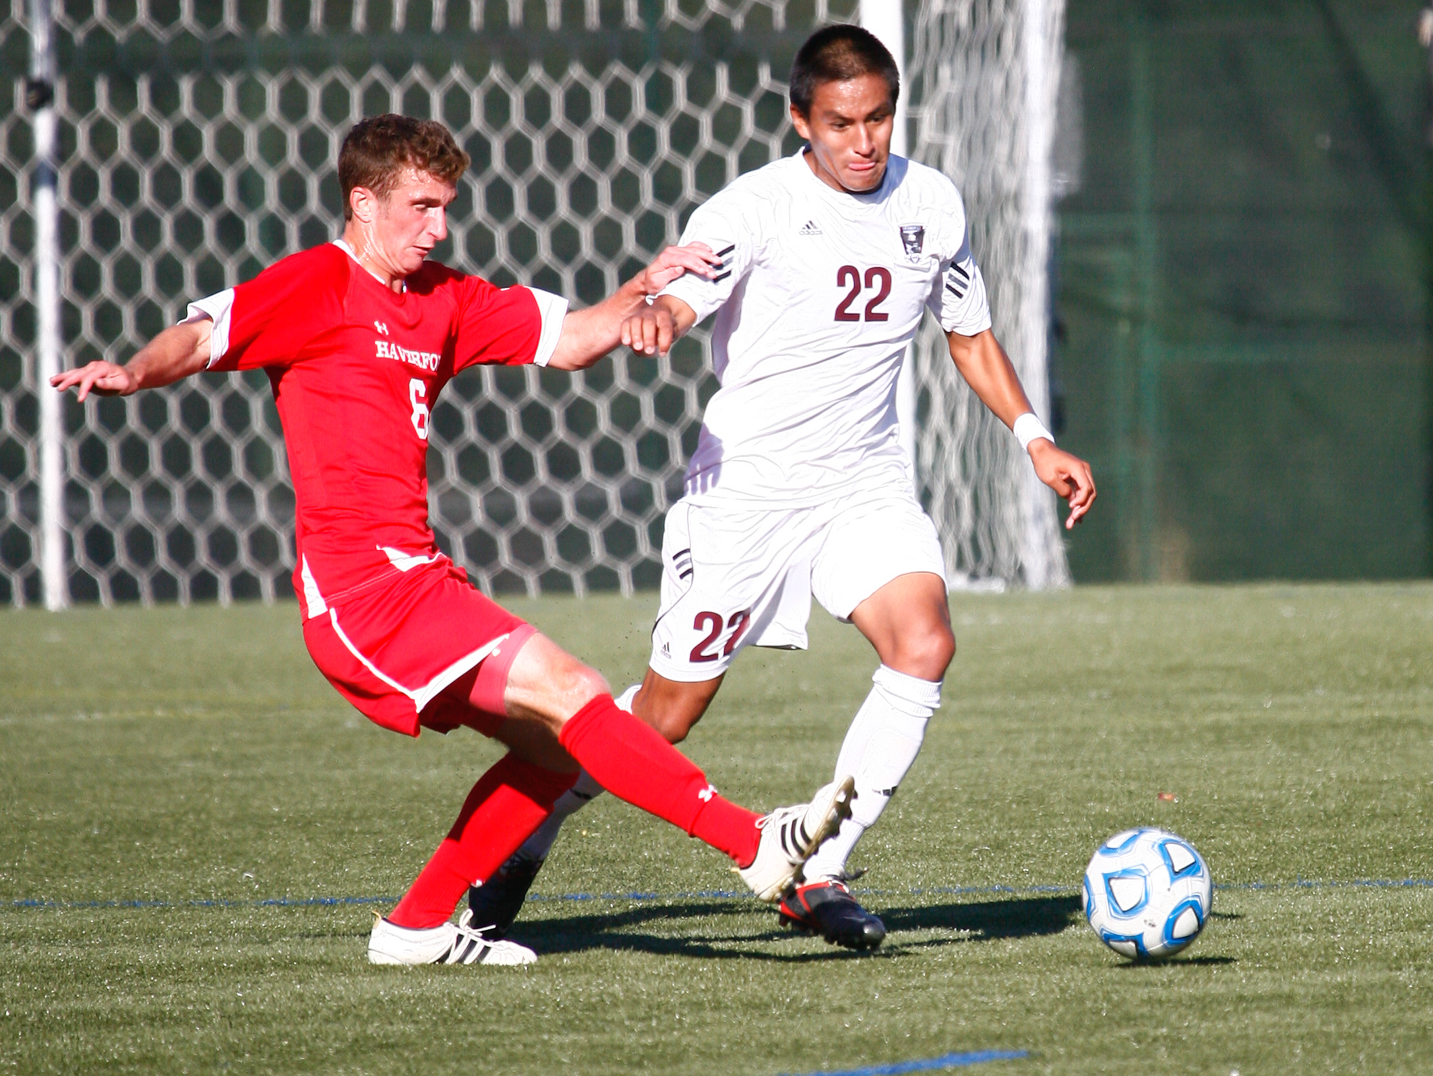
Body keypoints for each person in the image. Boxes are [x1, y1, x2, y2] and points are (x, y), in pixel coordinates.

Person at [51, 114, 853, 967]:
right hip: (361, 588)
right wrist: (135, 370)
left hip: (419, 576)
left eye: (446, 206)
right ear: (363, 203)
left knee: (554, 747)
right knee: (574, 685)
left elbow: (576, 339)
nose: (439, 227)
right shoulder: (316, 284)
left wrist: (642, 290)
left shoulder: (443, 296)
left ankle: (416, 927)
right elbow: (204, 333)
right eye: (422, 206)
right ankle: (753, 843)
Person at [466, 24, 1096, 951]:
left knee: (923, 642)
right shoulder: (752, 207)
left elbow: (968, 332)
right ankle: (531, 830)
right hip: (747, 494)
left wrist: (1036, 440)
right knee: (667, 717)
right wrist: (664, 318)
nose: (864, 141)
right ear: (800, 118)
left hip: (863, 485)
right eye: (841, 123)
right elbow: (687, 292)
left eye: (879, 118)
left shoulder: (933, 201)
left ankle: (817, 862)